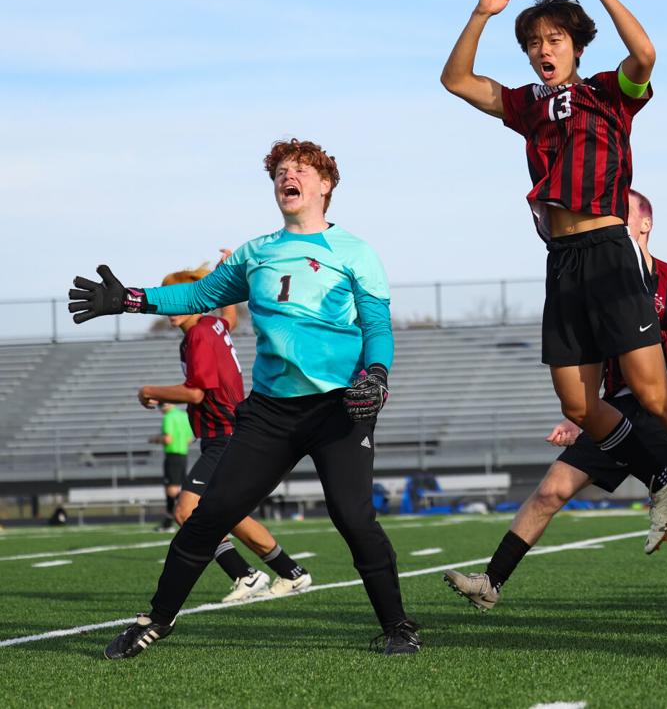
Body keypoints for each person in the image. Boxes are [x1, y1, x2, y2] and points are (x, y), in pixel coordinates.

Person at [68, 138, 420, 658]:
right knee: (211, 514)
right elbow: (197, 296)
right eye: (279, 170)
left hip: (339, 408)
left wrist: (377, 375)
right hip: (271, 411)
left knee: (352, 517)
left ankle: (398, 627)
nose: (286, 176)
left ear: (325, 185)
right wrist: (129, 299)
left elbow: (376, 326)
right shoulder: (256, 252)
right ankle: (155, 620)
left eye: (299, 169)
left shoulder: (356, 252)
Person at [441, 0, 667, 561]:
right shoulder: (526, 105)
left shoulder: (607, 92)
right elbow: (456, 80)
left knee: (654, 395)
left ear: (576, 44)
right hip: (562, 259)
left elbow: (646, 55)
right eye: (532, 43)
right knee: (577, 405)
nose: (541, 50)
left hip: (607, 249)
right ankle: (661, 476)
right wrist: (481, 14)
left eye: (553, 40)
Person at [444, 191, 667, 622]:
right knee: (551, 490)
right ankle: (491, 582)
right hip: (617, 412)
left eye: (617, 213)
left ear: (644, 224)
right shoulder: (596, 285)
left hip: (661, 409)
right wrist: (580, 416)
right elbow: (586, 369)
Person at [137, 264, 312, 602]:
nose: (170, 308)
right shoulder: (213, 324)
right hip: (231, 429)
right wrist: (228, 273)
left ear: (195, 299)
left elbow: (196, 392)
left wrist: (148, 389)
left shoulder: (199, 334)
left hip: (224, 433)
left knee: (186, 511)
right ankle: (292, 572)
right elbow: (229, 318)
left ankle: (245, 574)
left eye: (177, 300)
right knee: (228, 512)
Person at [149, 402, 192, 530]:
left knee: (172, 490)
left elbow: (168, 439)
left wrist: (155, 439)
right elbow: (189, 439)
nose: (160, 410)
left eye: (160, 406)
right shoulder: (184, 416)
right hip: (183, 454)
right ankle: (167, 522)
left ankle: (198, 505)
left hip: (172, 455)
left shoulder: (168, 417)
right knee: (173, 488)